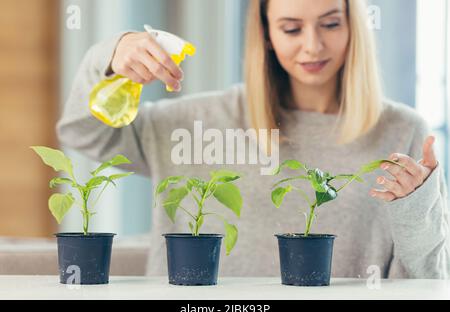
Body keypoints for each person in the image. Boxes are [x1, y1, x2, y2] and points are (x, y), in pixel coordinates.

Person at [57, 0, 450, 279]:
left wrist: (418, 210)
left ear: (354, 26)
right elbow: (81, 130)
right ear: (265, 33)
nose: (312, 45)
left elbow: (428, 277)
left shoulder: (402, 131)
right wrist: (109, 55)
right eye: (291, 28)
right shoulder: (198, 121)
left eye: (330, 24)